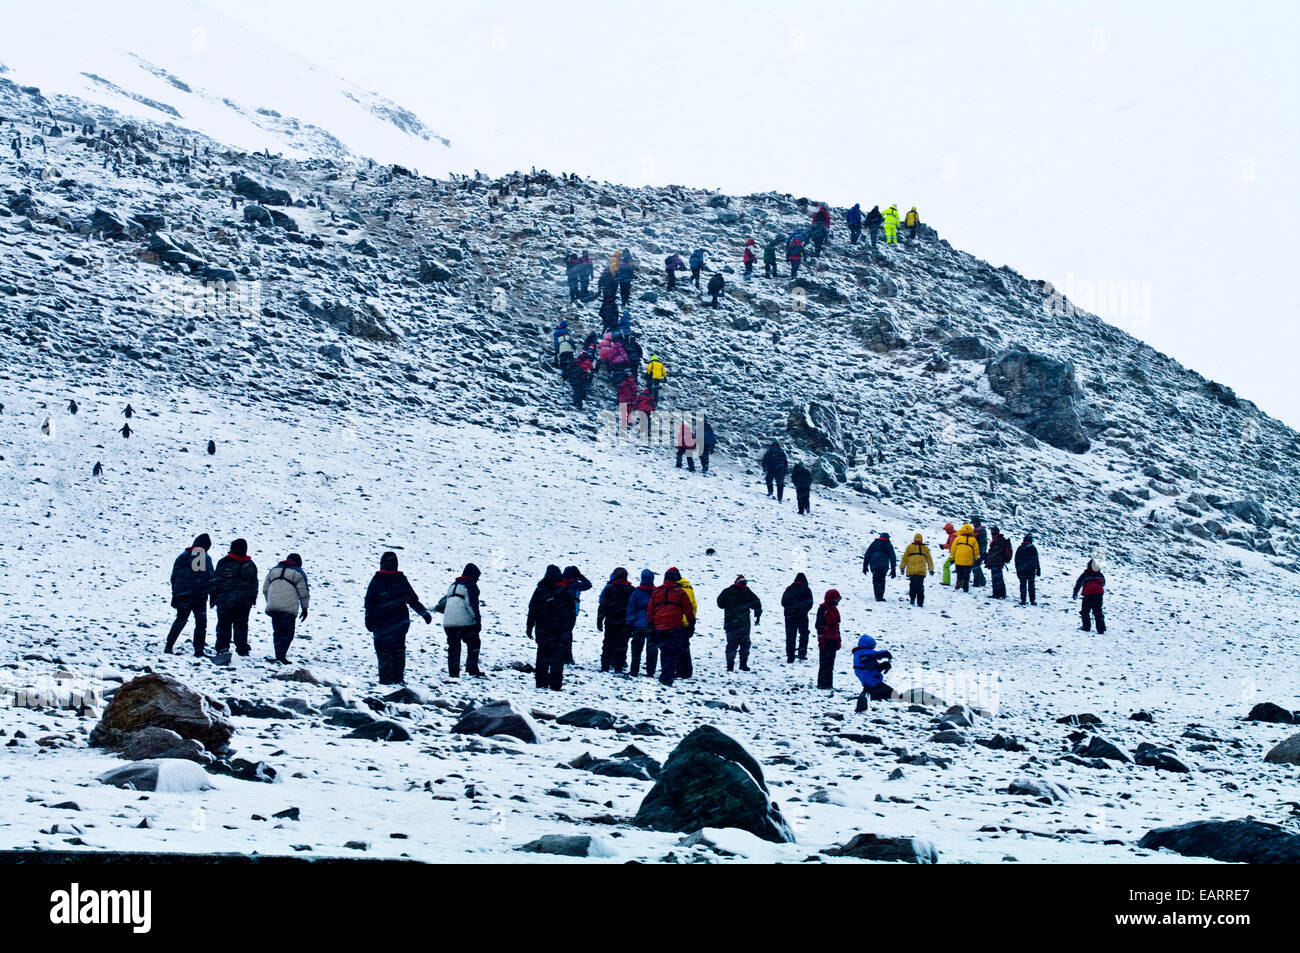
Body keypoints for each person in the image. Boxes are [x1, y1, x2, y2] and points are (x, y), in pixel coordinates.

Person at [364, 551, 432, 685]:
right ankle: (397, 678)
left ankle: (385, 679)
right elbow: (412, 600)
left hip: (381, 622)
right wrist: (424, 613)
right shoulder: (400, 580)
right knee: (398, 651)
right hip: (399, 622)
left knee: (383, 652)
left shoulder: (377, 580)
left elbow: (369, 603)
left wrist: (369, 620)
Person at [209, 538, 258, 661]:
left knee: (224, 624)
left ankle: (222, 647)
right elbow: (254, 584)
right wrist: (252, 599)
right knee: (241, 625)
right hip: (244, 601)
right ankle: (242, 648)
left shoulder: (224, 562)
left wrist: (213, 597)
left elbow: (216, 580)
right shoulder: (250, 564)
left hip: (225, 600)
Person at [165, 533, 214, 656]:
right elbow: (204, 577)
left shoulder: (182, 556)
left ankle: (169, 645)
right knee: (201, 623)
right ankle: (198, 650)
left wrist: (176, 592)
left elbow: (174, 576)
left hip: (182, 594)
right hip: (197, 596)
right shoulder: (201, 556)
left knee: (180, 620)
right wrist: (210, 592)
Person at [527, 564, 574, 689]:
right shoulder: (564, 591)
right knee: (557, 659)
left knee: (542, 656)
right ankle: (555, 684)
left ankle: (541, 682)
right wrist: (568, 629)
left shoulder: (540, 590)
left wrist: (529, 626)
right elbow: (571, 611)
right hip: (559, 630)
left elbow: (532, 609)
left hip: (543, 629)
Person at [648, 567, 695, 686]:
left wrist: (651, 625)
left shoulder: (656, 593)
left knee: (664, 651)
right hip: (675, 627)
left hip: (659, 626)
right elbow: (688, 609)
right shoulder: (680, 593)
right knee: (673, 653)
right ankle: (666, 677)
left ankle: (665, 673)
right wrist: (691, 623)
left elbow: (650, 611)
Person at [437, 562, 482, 678]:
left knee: (454, 648)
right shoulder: (470, 585)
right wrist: (477, 621)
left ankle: (453, 672)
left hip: (448, 623)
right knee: (474, 643)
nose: (477, 580)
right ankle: (472, 669)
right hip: (464, 623)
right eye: (477, 577)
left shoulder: (453, 585)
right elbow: (471, 604)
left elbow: (444, 603)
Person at [263, 552, 309, 664]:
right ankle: (282, 656)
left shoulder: (273, 571)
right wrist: (305, 608)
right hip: (289, 608)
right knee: (287, 633)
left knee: (277, 631)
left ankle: (278, 654)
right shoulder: (298, 573)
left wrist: (270, 601)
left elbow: (265, 589)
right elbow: (304, 593)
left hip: (273, 607)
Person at [716, 575, 762, 672]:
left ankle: (730, 666)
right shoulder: (748, 592)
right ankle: (743, 664)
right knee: (745, 644)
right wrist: (757, 616)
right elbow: (757, 604)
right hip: (744, 624)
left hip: (730, 624)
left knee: (731, 645)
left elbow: (720, 604)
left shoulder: (727, 591)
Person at [596, 568, 635, 673]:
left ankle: (605, 666)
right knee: (622, 645)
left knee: (608, 643)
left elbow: (602, 605)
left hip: (611, 621)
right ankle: (618, 666)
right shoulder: (631, 589)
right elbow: (633, 608)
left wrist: (599, 619)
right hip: (624, 622)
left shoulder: (609, 588)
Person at [625, 569, 657, 676]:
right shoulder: (656, 592)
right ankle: (650, 671)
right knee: (652, 649)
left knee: (636, 648)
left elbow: (631, 609)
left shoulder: (637, 593)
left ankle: (634, 670)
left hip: (639, 625)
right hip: (653, 625)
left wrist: (630, 624)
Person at [852, 635, 894, 712]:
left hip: (872, 682)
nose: (873, 648)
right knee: (892, 695)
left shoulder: (863, 655)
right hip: (873, 683)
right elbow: (872, 655)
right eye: (872, 646)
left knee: (889, 695)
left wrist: (882, 666)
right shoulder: (861, 653)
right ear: (866, 645)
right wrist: (884, 653)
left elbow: (871, 668)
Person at [780, 572, 813, 663]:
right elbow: (810, 603)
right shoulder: (806, 590)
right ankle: (802, 653)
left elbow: (783, 602)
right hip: (802, 616)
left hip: (790, 616)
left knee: (790, 635)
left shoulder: (789, 589)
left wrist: (791, 609)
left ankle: (790, 656)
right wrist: (802, 610)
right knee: (804, 633)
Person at [814, 589, 842, 689]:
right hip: (826, 640)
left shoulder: (833, 609)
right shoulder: (823, 609)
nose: (837, 602)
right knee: (824, 663)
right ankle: (822, 683)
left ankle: (828, 683)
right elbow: (819, 626)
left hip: (833, 640)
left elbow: (837, 626)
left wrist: (838, 640)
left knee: (830, 664)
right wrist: (821, 639)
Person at [899, 533, 935, 606]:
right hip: (921, 571)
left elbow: (904, 558)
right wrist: (931, 569)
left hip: (911, 571)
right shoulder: (925, 548)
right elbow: (929, 559)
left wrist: (902, 567)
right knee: (920, 587)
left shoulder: (910, 547)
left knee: (912, 585)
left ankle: (912, 599)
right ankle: (920, 602)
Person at [1073, 560, 1106, 633]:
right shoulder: (1100, 574)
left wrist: (1075, 592)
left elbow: (1078, 583)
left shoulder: (1085, 574)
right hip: (1098, 594)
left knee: (1085, 611)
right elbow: (1103, 583)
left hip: (1088, 593)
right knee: (1098, 611)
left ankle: (1086, 626)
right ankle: (1101, 629)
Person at [862, 533, 897, 601]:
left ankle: (877, 595)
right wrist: (893, 570)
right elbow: (893, 558)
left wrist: (865, 566)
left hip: (874, 565)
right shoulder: (888, 545)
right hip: (883, 566)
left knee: (875, 579)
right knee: (881, 580)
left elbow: (867, 554)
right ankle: (880, 596)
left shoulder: (874, 543)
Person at [950, 523, 980, 592]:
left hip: (958, 559)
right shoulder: (973, 540)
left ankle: (959, 582)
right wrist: (977, 558)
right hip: (968, 561)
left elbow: (953, 549)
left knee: (959, 573)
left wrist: (952, 558)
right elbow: (976, 550)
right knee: (966, 575)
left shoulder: (958, 538)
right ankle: (965, 587)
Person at [985, 527, 1014, 599]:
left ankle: (996, 593)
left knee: (995, 578)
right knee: (999, 578)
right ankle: (1002, 593)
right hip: (999, 562)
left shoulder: (997, 540)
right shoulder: (1000, 540)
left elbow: (994, 552)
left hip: (996, 562)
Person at [1015, 535, 1041, 605]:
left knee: (1022, 585)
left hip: (1022, 570)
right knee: (1031, 586)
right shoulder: (1033, 548)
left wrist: (1018, 570)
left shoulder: (1020, 548)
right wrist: (1038, 569)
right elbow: (1036, 560)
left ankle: (1023, 600)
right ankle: (1032, 601)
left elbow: (1016, 560)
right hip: (1031, 570)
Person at [971, 520, 989, 588]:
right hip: (978, 551)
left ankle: (979, 581)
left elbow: (982, 543)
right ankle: (980, 581)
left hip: (979, 551)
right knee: (976, 565)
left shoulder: (980, 531)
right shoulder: (980, 530)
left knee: (975, 565)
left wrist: (982, 552)